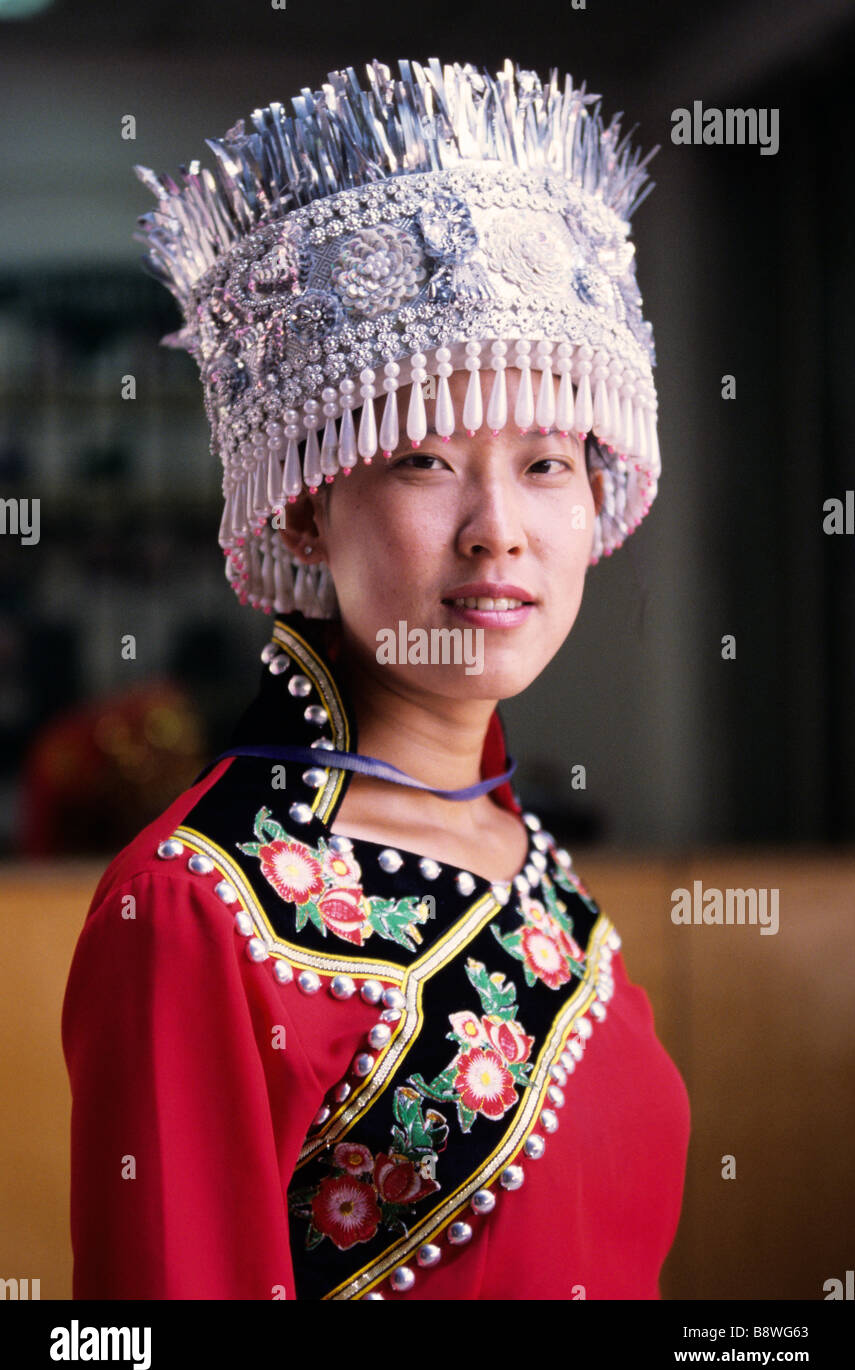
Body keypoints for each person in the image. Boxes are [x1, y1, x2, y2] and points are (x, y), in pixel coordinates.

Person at [62, 57, 690, 1300]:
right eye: (421, 460)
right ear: (304, 512)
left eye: (547, 464)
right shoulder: (199, 912)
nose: (497, 528)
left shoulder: (533, 864)